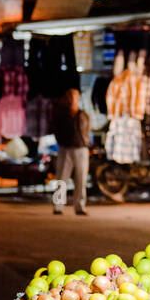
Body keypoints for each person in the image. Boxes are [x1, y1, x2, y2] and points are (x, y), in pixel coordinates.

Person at [52, 87, 90, 216]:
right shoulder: (61, 115)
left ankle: (80, 205)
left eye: (75, 96)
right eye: (71, 96)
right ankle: (58, 206)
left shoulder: (83, 115)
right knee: (62, 178)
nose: (73, 99)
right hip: (66, 148)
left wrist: (86, 144)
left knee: (81, 179)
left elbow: (86, 131)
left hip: (81, 148)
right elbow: (56, 130)